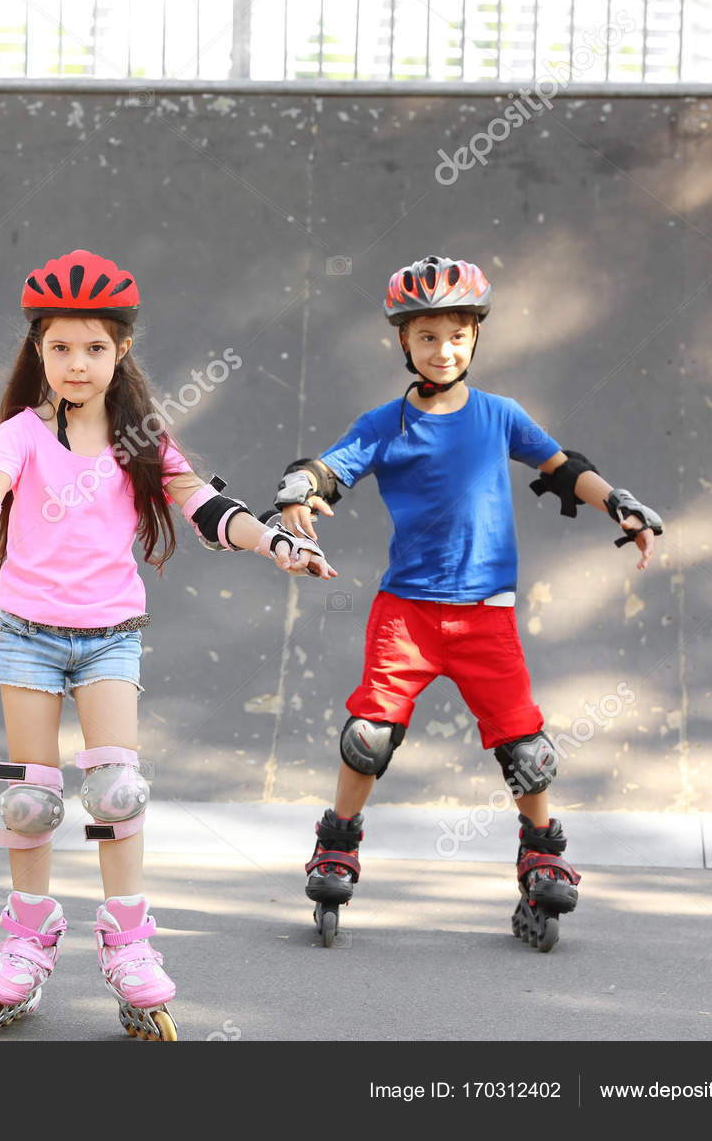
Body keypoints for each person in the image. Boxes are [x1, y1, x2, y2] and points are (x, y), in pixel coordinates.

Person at [0, 250, 334, 1039]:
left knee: (116, 791)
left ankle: (127, 946)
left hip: (109, 634)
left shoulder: (139, 437)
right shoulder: (21, 432)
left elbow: (205, 504)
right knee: (29, 798)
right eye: (58, 347)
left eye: (93, 346)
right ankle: (26, 941)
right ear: (37, 352)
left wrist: (276, 545)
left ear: (121, 350)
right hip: (25, 631)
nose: (75, 363)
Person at [274, 255, 664, 953]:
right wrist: (298, 492)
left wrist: (622, 505)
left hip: (487, 613)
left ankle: (541, 851)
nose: (443, 348)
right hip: (408, 614)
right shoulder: (385, 423)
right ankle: (337, 844)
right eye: (427, 336)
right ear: (404, 344)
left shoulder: (499, 415)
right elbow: (328, 468)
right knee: (369, 736)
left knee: (527, 748)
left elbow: (564, 469)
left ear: (475, 337)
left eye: (456, 334)